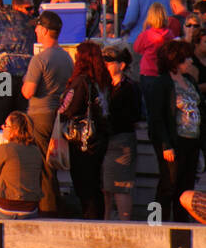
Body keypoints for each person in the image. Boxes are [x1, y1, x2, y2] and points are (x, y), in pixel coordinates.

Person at [20, 10, 74, 215]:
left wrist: (22, 83)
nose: (35, 30)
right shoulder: (67, 57)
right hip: (57, 115)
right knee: (52, 162)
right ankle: (55, 205)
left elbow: (28, 92)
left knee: (44, 166)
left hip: (39, 115)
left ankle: (48, 210)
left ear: (43, 30)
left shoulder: (39, 59)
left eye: (37, 27)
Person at [49, 41, 109, 219]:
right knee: (96, 185)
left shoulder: (80, 81)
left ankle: (90, 222)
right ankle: (99, 220)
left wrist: (57, 109)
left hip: (82, 141)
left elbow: (68, 109)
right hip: (100, 138)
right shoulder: (101, 81)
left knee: (84, 187)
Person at [147, 39, 201, 223]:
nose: (190, 62)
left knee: (186, 187)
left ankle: (181, 224)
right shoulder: (162, 83)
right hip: (173, 142)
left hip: (191, 141)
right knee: (167, 185)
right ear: (175, 61)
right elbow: (157, 117)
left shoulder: (189, 80)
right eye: (186, 59)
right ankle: (154, 222)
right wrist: (165, 144)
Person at [0, 111, 43, 219]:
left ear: (15, 131)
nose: (2, 127)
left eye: (6, 125)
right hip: (30, 210)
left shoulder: (3, 149)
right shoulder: (36, 151)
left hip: (4, 208)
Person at [100, 46, 138, 221]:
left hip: (121, 139)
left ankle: (125, 223)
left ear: (121, 65)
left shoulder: (129, 87)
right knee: (106, 187)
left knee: (121, 186)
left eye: (109, 62)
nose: (105, 65)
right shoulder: (104, 86)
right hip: (106, 140)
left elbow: (131, 115)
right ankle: (107, 220)